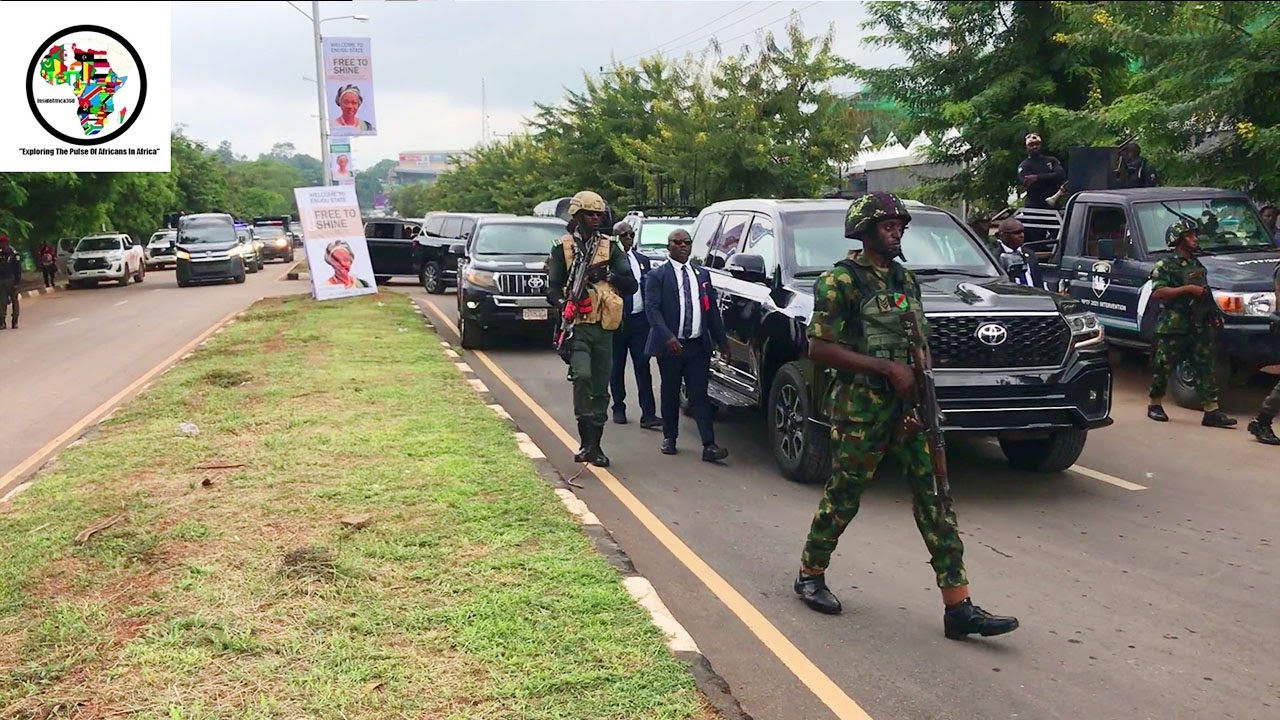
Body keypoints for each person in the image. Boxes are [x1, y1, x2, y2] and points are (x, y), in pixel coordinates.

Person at [792, 192, 1019, 641]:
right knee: (845, 494)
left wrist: (923, 391)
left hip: (909, 408)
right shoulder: (840, 282)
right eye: (888, 225)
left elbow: (918, 342)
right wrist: (885, 368)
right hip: (861, 409)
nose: (897, 231)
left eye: (900, 225)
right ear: (865, 231)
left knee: (936, 497)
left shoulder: (904, 280)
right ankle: (810, 573)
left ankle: (959, 606)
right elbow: (818, 348)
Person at [546, 191, 638, 468]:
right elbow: (552, 287)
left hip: (604, 329)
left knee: (600, 387)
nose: (596, 218)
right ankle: (585, 438)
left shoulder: (610, 247)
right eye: (590, 213)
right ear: (577, 216)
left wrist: (607, 275)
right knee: (582, 377)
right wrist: (564, 304)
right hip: (577, 327)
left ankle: (594, 446)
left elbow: (631, 283)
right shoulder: (561, 248)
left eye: (599, 214)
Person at [644, 228, 730, 463]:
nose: (683, 246)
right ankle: (670, 437)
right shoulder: (657, 276)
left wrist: (722, 342)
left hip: (696, 347)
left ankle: (709, 445)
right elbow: (652, 310)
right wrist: (667, 337)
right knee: (670, 392)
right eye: (677, 242)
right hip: (670, 346)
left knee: (699, 395)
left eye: (687, 242)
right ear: (668, 246)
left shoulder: (701, 275)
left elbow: (711, 310)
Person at [1146, 220, 1237, 428]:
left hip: (1198, 323)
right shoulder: (1165, 265)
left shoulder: (1197, 265)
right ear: (1178, 240)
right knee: (1164, 365)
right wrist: (1186, 290)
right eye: (1190, 236)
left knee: (1205, 365)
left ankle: (1212, 411)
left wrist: (1214, 314)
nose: (1195, 239)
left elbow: (1204, 292)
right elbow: (1158, 292)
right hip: (1174, 324)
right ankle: (1155, 404)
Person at [608, 220, 659, 429]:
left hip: (639, 321)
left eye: (630, 234)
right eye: (623, 235)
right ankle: (618, 407)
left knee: (642, 365)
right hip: (618, 320)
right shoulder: (610, 262)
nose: (628, 238)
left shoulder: (642, 260)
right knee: (616, 366)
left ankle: (648, 414)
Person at [1017, 133, 1067, 210]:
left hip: (1055, 206)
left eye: (1037, 144)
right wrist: (1050, 177)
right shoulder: (1024, 165)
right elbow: (1028, 182)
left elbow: (1061, 175)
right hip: (1033, 207)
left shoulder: (1051, 160)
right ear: (1026, 147)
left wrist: (1037, 177)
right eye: (1031, 145)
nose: (1035, 147)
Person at [995, 218, 1043, 288]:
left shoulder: (1029, 254)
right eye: (1016, 233)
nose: (1021, 235)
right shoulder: (995, 257)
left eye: (1023, 232)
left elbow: (1038, 280)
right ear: (1002, 235)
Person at [0, 234, 21, 329]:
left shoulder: (13, 253)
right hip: (1, 281)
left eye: (3, 242)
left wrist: (17, 282)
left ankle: (15, 321)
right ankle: (2, 322)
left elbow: (18, 268)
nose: (1, 244)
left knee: (14, 301)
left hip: (12, 279)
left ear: (6, 243)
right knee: (2, 302)